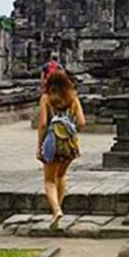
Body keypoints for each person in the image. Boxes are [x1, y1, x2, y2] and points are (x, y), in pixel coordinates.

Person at [35, 67, 86, 227]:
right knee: (61, 176)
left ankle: (56, 210)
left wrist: (40, 145)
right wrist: (68, 128)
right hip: (70, 145)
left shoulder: (46, 99)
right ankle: (58, 208)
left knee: (49, 180)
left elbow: (43, 124)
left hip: (52, 144)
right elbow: (82, 123)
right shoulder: (73, 98)